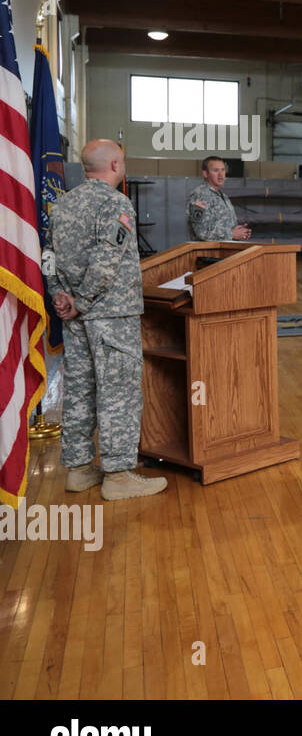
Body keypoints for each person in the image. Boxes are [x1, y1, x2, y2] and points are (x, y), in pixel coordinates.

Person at [50, 139, 167, 501]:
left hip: (74, 318)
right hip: (111, 316)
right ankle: (117, 474)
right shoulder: (116, 204)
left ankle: (80, 469)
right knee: (118, 392)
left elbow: (48, 257)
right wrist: (82, 301)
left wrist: (62, 297)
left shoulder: (61, 205)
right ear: (115, 165)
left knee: (80, 390)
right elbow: (106, 262)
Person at [187, 155, 251, 241]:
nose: (221, 174)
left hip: (225, 250)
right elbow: (201, 231)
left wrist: (239, 231)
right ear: (205, 173)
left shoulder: (222, 196)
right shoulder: (201, 195)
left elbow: (223, 225)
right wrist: (232, 234)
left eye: (223, 170)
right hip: (208, 253)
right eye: (215, 170)